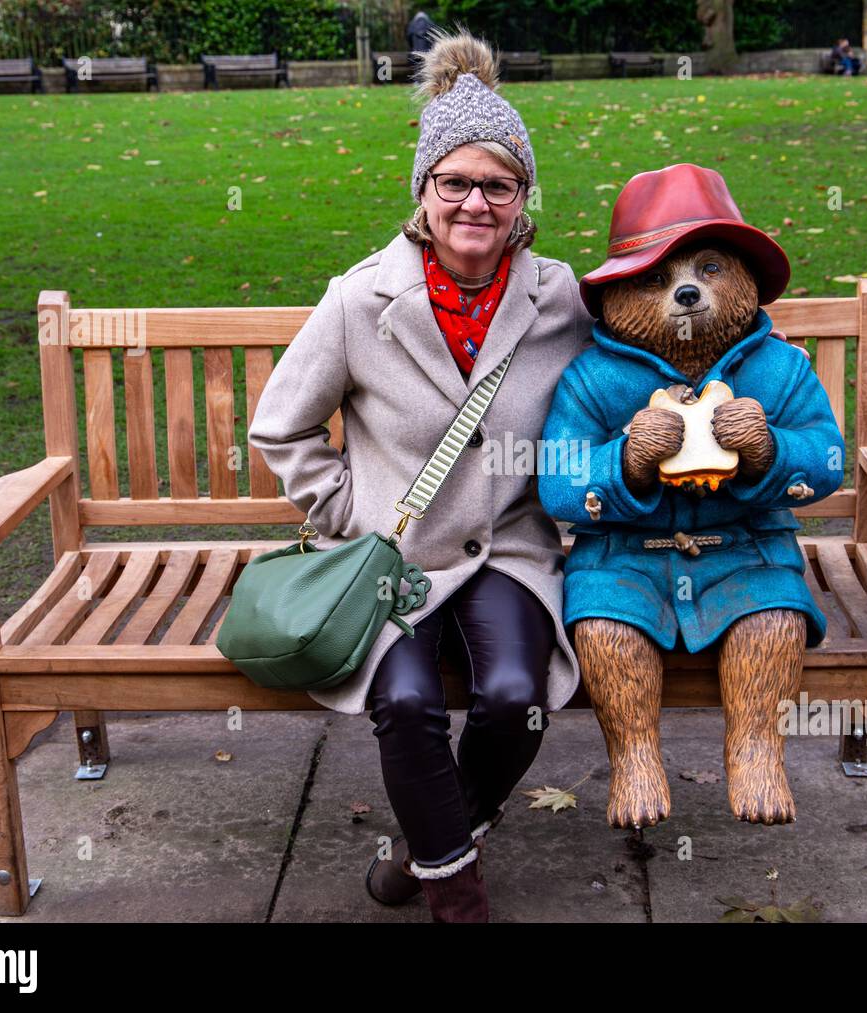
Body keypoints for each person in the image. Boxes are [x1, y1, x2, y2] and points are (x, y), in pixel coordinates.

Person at [248, 26, 591, 923]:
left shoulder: (560, 299)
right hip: (392, 559)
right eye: (456, 182)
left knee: (516, 697)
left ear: (523, 198)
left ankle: (427, 856)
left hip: (509, 550)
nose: (475, 202)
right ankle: (459, 896)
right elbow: (280, 425)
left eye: (498, 184)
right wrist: (343, 508)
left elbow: (636, 372)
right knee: (402, 700)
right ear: (424, 191)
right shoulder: (359, 299)